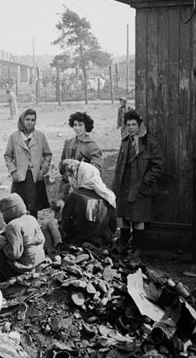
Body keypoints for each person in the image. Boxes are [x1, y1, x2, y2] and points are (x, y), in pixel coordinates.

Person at [112, 110, 164, 259]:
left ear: (140, 125)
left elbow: (158, 166)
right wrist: (116, 186)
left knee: (138, 218)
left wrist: (145, 182)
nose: (131, 127)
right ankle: (122, 246)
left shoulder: (150, 143)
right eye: (128, 125)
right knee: (125, 218)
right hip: (126, 186)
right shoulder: (125, 142)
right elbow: (120, 166)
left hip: (141, 188)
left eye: (134, 124)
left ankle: (137, 249)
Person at [4, 109, 52, 218]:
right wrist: (13, 171)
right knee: (19, 206)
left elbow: (48, 154)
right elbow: (8, 156)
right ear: (22, 120)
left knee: (34, 206)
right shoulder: (14, 137)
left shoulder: (40, 136)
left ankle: (33, 227)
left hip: (35, 177)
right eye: (27, 119)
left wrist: (43, 170)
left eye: (33, 120)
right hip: (21, 177)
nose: (30, 122)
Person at [59, 159, 117, 249]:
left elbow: (65, 225)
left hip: (78, 240)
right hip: (102, 242)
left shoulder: (75, 196)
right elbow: (113, 226)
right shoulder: (108, 197)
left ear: (80, 175)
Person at [0, 193, 45, 282]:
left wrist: (3, 244)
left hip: (24, 267)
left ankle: (5, 274)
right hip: (38, 261)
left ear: (9, 211)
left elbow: (14, 254)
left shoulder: (13, 225)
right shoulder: (31, 218)